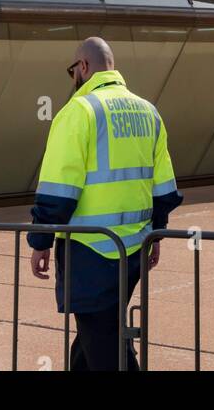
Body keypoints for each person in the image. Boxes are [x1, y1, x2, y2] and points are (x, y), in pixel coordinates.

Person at [28, 36, 183, 371]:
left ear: (83, 67)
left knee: (104, 344)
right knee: (95, 334)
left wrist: (40, 241)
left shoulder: (78, 112)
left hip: (90, 248)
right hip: (134, 248)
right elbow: (164, 187)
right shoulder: (148, 112)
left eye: (73, 70)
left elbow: (57, 191)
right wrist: (158, 232)